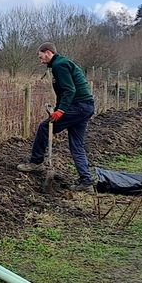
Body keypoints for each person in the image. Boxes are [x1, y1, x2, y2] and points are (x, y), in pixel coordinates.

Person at [18, 44, 96, 191]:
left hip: (78, 106)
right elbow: (65, 92)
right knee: (77, 145)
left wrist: (60, 111)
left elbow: (69, 90)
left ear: (48, 53)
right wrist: (58, 108)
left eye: (41, 57)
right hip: (85, 107)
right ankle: (86, 182)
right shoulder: (62, 64)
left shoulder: (59, 65)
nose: (41, 61)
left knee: (44, 127)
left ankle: (36, 162)